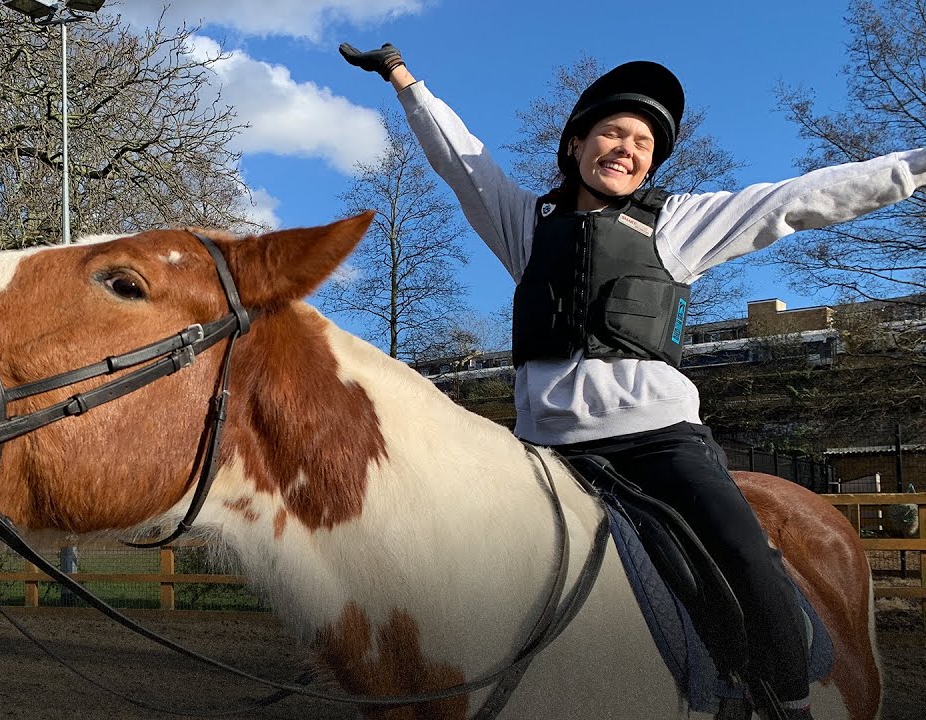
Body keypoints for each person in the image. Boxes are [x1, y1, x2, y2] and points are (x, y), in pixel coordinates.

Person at [340, 42, 926, 720]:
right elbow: (460, 159)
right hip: (544, 456)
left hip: (659, 447)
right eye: (613, 133)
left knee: (742, 548)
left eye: (642, 142)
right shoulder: (525, 226)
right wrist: (401, 76)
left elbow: (804, 198)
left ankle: (787, 701)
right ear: (576, 144)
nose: (626, 149)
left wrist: (916, 166)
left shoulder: (680, 224)